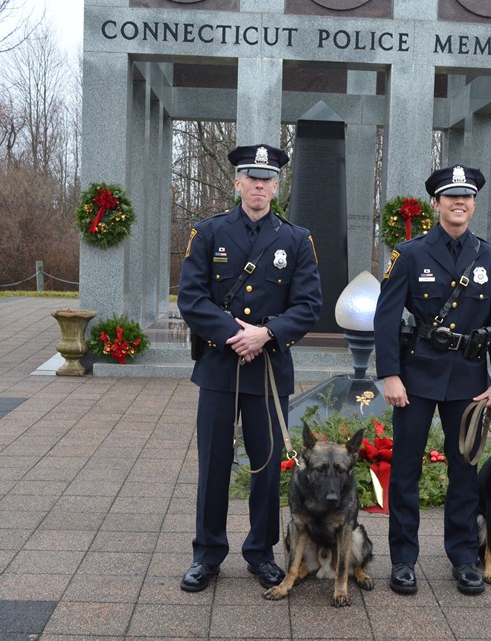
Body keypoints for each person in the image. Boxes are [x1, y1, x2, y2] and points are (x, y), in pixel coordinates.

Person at [176, 143, 323, 592]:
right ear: (237, 183)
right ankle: (208, 554)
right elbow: (191, 298)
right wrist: (234, 334)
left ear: (277, 187)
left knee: (264, 464)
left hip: (269, 369)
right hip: (220, 367)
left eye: (267, 180)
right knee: (214, 465)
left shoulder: (296, 239)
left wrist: (266, 335)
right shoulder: (208, 233)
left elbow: (309, 305)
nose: (259, 186)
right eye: (250, 178)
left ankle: (260, 553)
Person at [372, 164, 491, 596]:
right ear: (436, 204)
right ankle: (403, 560)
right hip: (415, 378)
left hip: (469, 380)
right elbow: (386, 318)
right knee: (407, 471)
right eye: (451, 197)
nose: (459, 203)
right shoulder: (409, 254)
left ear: (473, 204)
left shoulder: (490, 257)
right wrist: (390, 374)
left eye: (466, 197)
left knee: (465, 471)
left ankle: (464, 558)